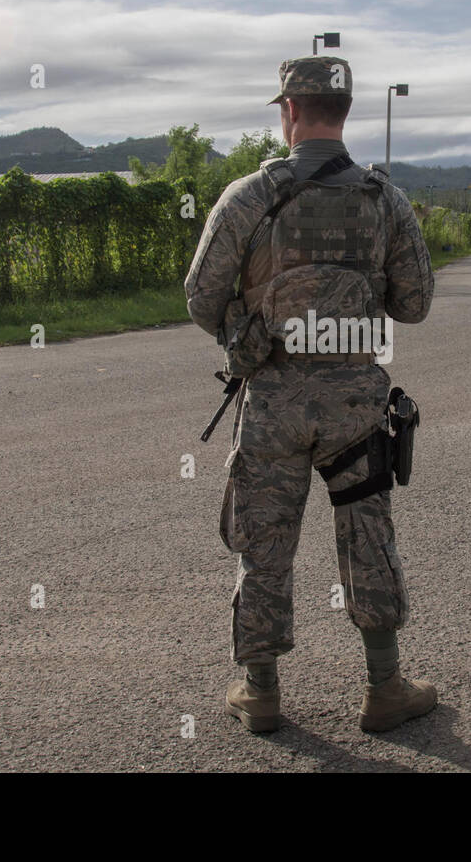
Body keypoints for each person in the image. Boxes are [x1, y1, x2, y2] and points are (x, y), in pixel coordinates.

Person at [185, 55, 437, 733]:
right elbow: (414, 304)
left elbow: (200, 295)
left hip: (273, 400)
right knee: (368, 533)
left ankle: (260, 690)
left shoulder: (249, 196)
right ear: (346, 111)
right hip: (355, 401)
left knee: (264, 540)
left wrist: (246, 330)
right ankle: (385, 685)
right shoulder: (385, 200)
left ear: (289, 111)